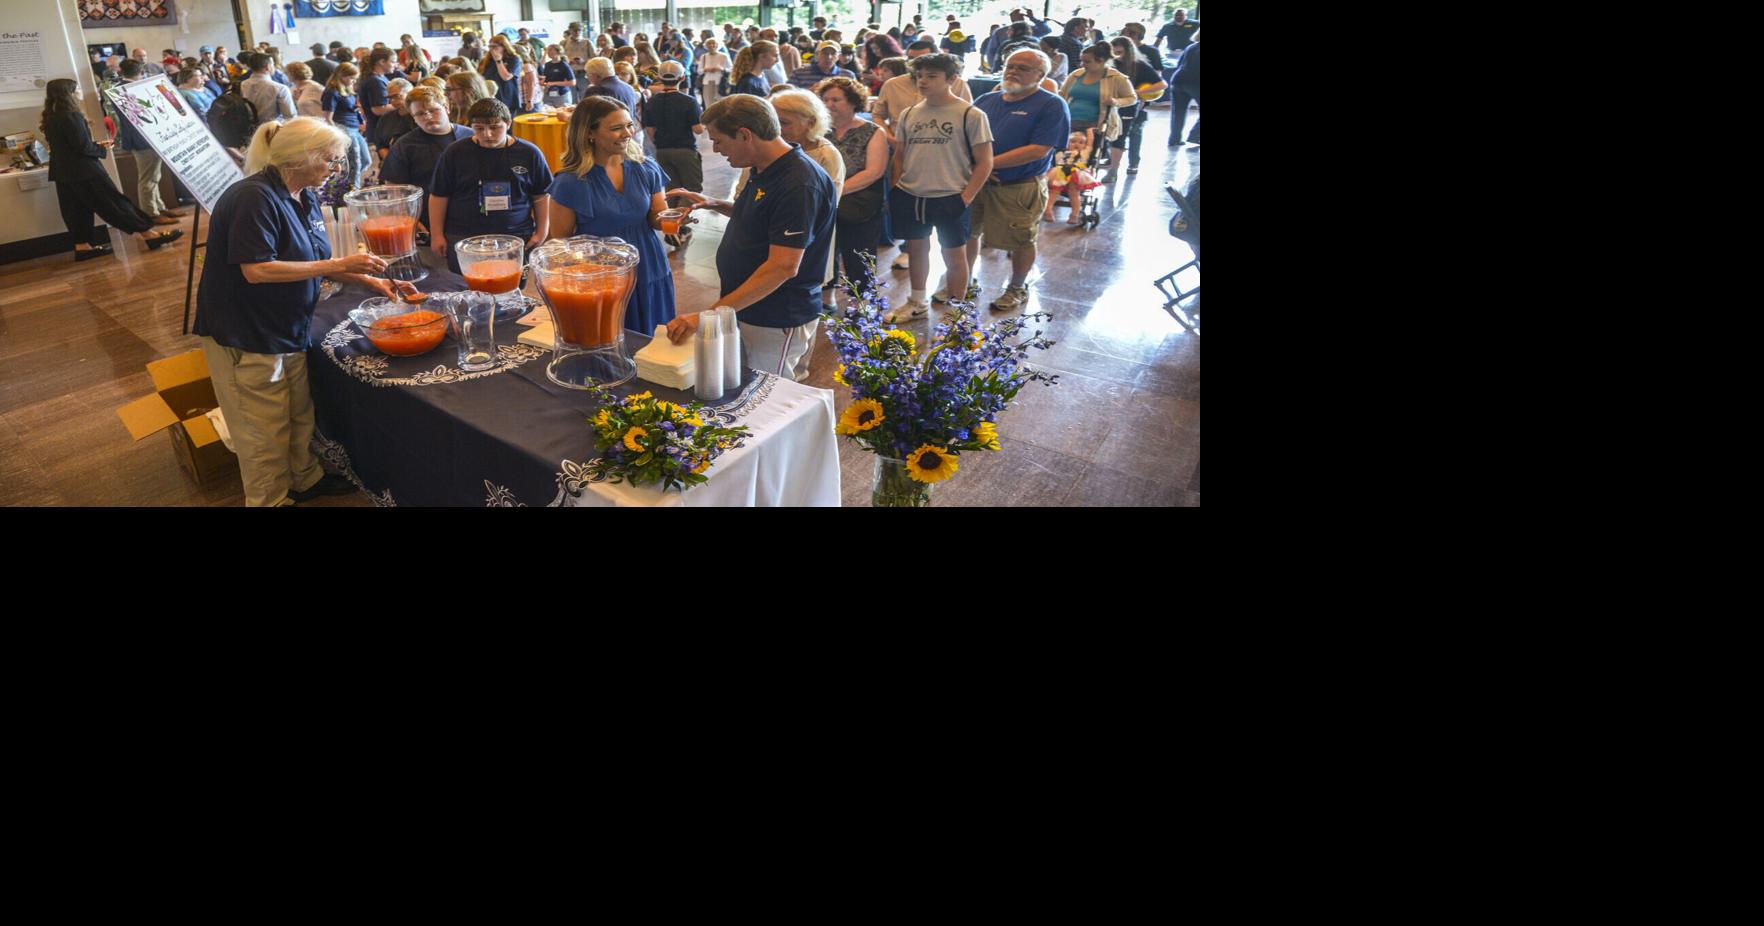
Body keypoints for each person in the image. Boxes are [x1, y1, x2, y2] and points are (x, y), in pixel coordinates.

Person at [195, 118, 412, 507]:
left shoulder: (303, 193)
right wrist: (336, 266)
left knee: (297, 411)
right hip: (248, 332)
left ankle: (305, 479)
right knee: (261, 429)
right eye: (329, 160)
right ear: (299, 158)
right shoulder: (253, 198)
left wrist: (376, 282)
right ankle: (269, 499)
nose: (335, 169)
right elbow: (257, 270)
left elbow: (319, 257)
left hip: (287, 324)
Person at [662, 94, 836, 383]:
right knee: (745, 388)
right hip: (748, 306)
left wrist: (709, 315)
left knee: (767, 397)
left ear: (745, 135)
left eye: (718, 140)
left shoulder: (799, 184)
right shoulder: (765, 167)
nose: (716, 150)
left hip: (776, 314)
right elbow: (764, 218)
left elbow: (783, 267)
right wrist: (716, 204)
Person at [546, 97, 676, 335]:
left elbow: (657, 218)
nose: (628, 133)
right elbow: (561, 243)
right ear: (589, 133)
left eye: (629, 125)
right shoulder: (571, 182)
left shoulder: (646, 167)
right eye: (616, 128)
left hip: (648, 263)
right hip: (600, 273)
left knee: (654, 339)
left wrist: (674, 219)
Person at [884, 54, 993, 322]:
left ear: (952, 79)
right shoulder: (909, 113)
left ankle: (957, 314)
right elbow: (899, 155)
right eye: (919, 75)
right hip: (911, 194)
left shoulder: (971, 114)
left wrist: (966, 197)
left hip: (950, 196)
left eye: (931, 76)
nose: (923, 81)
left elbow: (985, 161)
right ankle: (917, 301)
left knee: (954, 255)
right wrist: (895, 186)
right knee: (916, 249)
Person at [963, 49, 1069, 311]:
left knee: (1021, 239)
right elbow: (964, 137)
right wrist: (973, 167)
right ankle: (964, 280)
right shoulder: (986, 100)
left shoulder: (1051, 104)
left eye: (1022, 68)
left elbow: (1039, 149)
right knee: (967, 233)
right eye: (1010, 65)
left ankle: (1017, 287)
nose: (1012, 71)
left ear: (1040, 75)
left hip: (1018, 185)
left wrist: (987, 165)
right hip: (977, 183)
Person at [40, 79, 183, 262]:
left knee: (75, 210)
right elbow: (82, 147)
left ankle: (83, 247)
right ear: (69, 93)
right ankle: (149, 235)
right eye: (78, 88)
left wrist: (94, 145)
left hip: (63, 171)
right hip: (85, 170)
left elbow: (68, 146)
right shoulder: (71, 116)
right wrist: (100, 148)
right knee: (114, 202)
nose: (81, 91)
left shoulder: (51, 116)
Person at [737, 89, 842, 309]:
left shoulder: (826, 155)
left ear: (811, 122)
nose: (778, 130)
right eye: (774, 121)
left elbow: (823, 206)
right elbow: (745, 185)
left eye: (784, 123)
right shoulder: (766, 147)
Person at [428, 98, 553, 273]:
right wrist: (437, 235)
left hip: (515, 235)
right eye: (479, 128)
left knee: (511, 289)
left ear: (508, 123)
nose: (487, 134)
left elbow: (541, 195)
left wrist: (542, 232)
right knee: (466, 290)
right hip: (464, 235)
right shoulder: (455, 152)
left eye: (495, 128)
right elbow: (439, 195)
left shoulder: (529, 153)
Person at [817, 76, 888, 306]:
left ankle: (861, 306)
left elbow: (874, 172)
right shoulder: (818, 132)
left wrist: (834, 191)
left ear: (853, 102)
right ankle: (827, 299)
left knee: (859, 256)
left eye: (836, 99)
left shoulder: (873, 131)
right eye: (825, 99)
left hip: (859, 203)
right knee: (824, 252)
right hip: (823, 202)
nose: (829, 104)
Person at [379, 86, 472, 250]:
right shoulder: (405, 146)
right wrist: (410, 220)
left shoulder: (470, 136)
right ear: (413, 118)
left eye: (433, 110)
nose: (428, 116)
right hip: (428, 225)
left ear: (446, 107)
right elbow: (394, 190)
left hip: (471, 219)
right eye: (420, 114)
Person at [111, 60, 184, 227]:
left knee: (155, 175)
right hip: (142, 139)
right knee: (148, 178)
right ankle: (151, 213)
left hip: (148, 137)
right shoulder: (128, 89)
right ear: (141, 70)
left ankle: (159, 207)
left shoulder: (126, 87)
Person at [873, 40, 972, 132]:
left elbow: (967, 118)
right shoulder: (892, 84)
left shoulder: (957, 83)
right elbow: (878, 116)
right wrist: (891, 140)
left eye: (923, 58)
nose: (917, 63)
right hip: (898, 140)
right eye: (911, 58)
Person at [641, 61, 704, 200]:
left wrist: (659, 142)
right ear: (682, 78)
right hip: (685, 149)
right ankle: (680, 219)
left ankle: (670, 219)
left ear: (659, 77)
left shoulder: (651, 101)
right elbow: (698, 129)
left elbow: (650, 129)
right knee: (693, 188)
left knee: (672, 190)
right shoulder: (689, 101)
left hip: (662, 150)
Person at [1059, 43, 1136, 151]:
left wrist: (1115, 101)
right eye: (1082, 60)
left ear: (1101, 61)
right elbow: (1061, 94)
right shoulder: (1076, 74)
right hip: (1069, 121)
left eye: (1087, 62)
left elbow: (1132, 98)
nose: (1082, 64)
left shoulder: (1117, 78)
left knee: (1088, 157)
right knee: (1064, 155)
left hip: (1095, 125)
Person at [1107, 38, 1164, 175]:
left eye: (1119, 49)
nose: (1116, 52)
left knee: (1124, 136)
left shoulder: (1139, 65)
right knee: (1110, 136)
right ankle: (1113, 165)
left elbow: (1161, 84)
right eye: (1114, 49)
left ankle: (1115, 170)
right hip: (1110, 105)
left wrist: (1137, 92)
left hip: (1129, 106)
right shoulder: (1110, 65)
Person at [321, 63, 369, 192]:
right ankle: (353, 191)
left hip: (354, 129)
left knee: (365, 160)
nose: (353, 81)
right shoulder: (332, 92)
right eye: (351, 78)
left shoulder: (347, 90)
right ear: (342, 76)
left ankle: (348, 185)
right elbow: (327, 118)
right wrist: (338, 136)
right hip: (344, 128)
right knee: (355, 162)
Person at [359, 48, 399, 153]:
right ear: (382, 62)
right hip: (379, 129)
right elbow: (378, 109)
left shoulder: (379, 78)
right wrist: (402, 103)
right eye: (393, 61)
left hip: (380, 127)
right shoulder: (375, 81)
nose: (396, 65)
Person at [241, 53, 296, 123]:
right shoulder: (280, 88)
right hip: (273, 129)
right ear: (268, 67)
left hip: (248, 129)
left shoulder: (241, 85)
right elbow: (290, 116)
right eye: (273, 64)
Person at [480, 35, 523, 114]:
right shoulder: (486, 60)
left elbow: (506, 77)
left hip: (507, 97)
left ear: (504, 46)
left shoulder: (514, 59)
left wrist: (498, 61)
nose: (492, 49)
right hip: (490, 96)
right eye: (490, 46)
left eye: (495, 46)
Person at [373, 78, 416, 157]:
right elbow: (379, 142)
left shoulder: (419, 118)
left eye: (397, 96)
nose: (392, 101)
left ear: (410, 93)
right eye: (390, 98)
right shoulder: (386, 118)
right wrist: (387, 156)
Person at [1172, 32, 1199, 146]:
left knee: (1178, 112)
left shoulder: (1192, 46)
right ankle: (1194, 136)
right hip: (1196, 82)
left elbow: (1180, 64)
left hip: (1178, 80)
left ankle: (1174, 139)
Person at [791, 40, 855, 88]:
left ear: (838, 56)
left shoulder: (848, 76)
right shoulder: (799, 73)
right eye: (825, 53)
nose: (829, 57)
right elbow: (789, 96)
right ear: (817, 54)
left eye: (833, 53)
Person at [698, 38, 731, 108]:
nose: (711, 45)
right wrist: (705, 69)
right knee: (708, 103)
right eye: (709, 44)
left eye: (713, 44)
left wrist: (721, 69)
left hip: (720, 82)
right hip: (707, 82)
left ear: (717, 45)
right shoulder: (703, 56)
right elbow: (699, 71)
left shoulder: (724, 56)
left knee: (721, 103)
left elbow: (731, 69)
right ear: (706, 46)